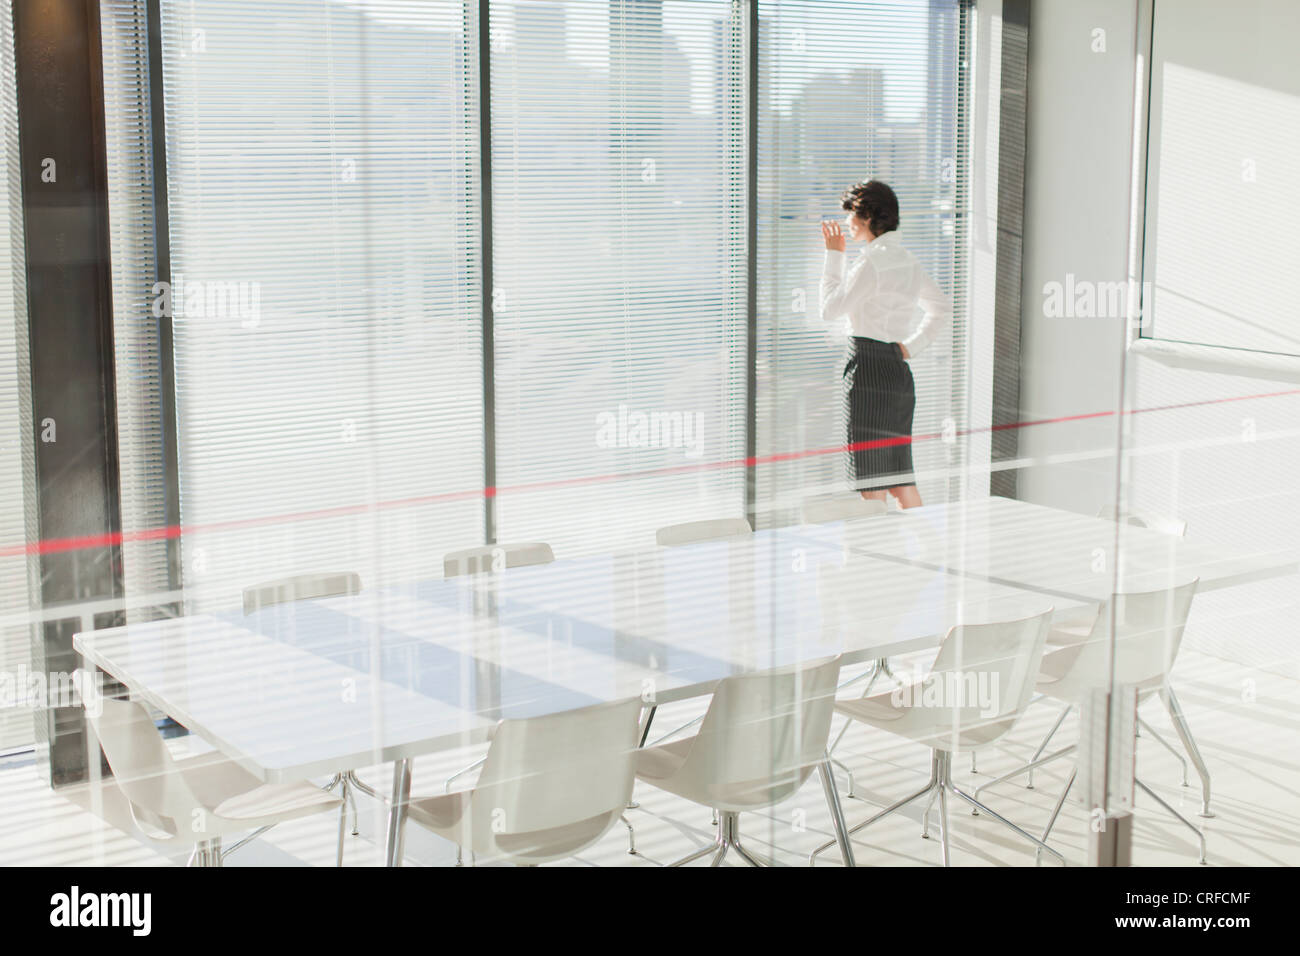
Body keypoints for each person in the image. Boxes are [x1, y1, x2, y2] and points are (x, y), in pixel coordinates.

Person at [820, 180, 952, 508]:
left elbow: (829, 310)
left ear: (865, 217)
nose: (848, 225)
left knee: (872, 481)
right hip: (897, 370)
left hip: (867, 369)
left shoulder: (870, 262)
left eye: (851, 215)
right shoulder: (908, 261)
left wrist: (834, 257)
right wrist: (911, 346)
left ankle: (873, 557)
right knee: (900, 478)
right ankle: (934, 553)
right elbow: (942, 308)